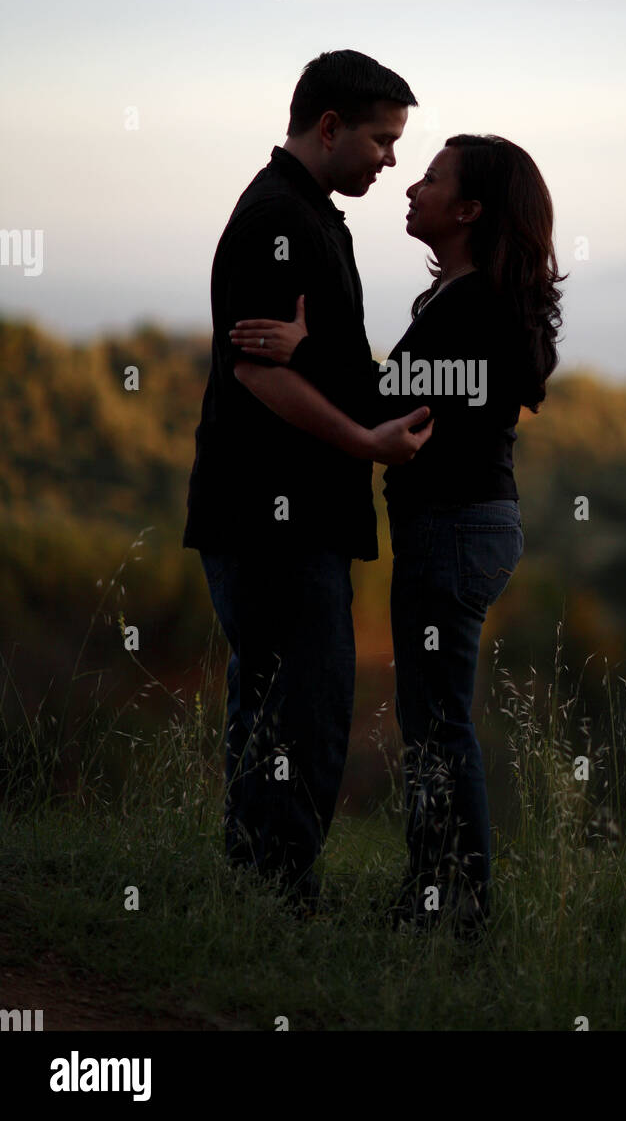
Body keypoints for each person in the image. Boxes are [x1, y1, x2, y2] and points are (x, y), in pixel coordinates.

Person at [231, 134, 564, 936]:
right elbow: (401, 389)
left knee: (438, 723)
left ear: (469, 210)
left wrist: (304, 350)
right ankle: (441, 897)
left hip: (455, 530)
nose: (409, 186)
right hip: (460, 529)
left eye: (431, 178)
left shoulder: (476, 302)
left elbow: (396, 397)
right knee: (435, 720)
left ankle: (452, 909)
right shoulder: (462, 299)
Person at [182, 49, 433, 916]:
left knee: (274, 708)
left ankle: (257, 894)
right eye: (381, 139)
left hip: (283, 520)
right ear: (329, 127)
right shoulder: (276, 221)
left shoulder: (309, 214)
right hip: (270, 519)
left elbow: (317, 362)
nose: (390, 160)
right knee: (306, 713)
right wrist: (366, 440)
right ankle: (278, 900)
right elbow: (260, 374)